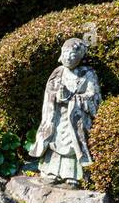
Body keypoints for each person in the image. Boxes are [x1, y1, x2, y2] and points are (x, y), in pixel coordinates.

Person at [28, 37, 101, 184]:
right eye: (65, 53)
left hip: (75, 117)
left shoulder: (88, 73)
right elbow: (49, 93)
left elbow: (94, 97)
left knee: (73, 143)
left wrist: (72, 99)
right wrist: (56, 95)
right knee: (53, 140)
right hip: (56, 116)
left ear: (80, 57)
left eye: (73, 55)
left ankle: (73, 175)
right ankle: (51, 171)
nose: (68, 58)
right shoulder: (57, 73)